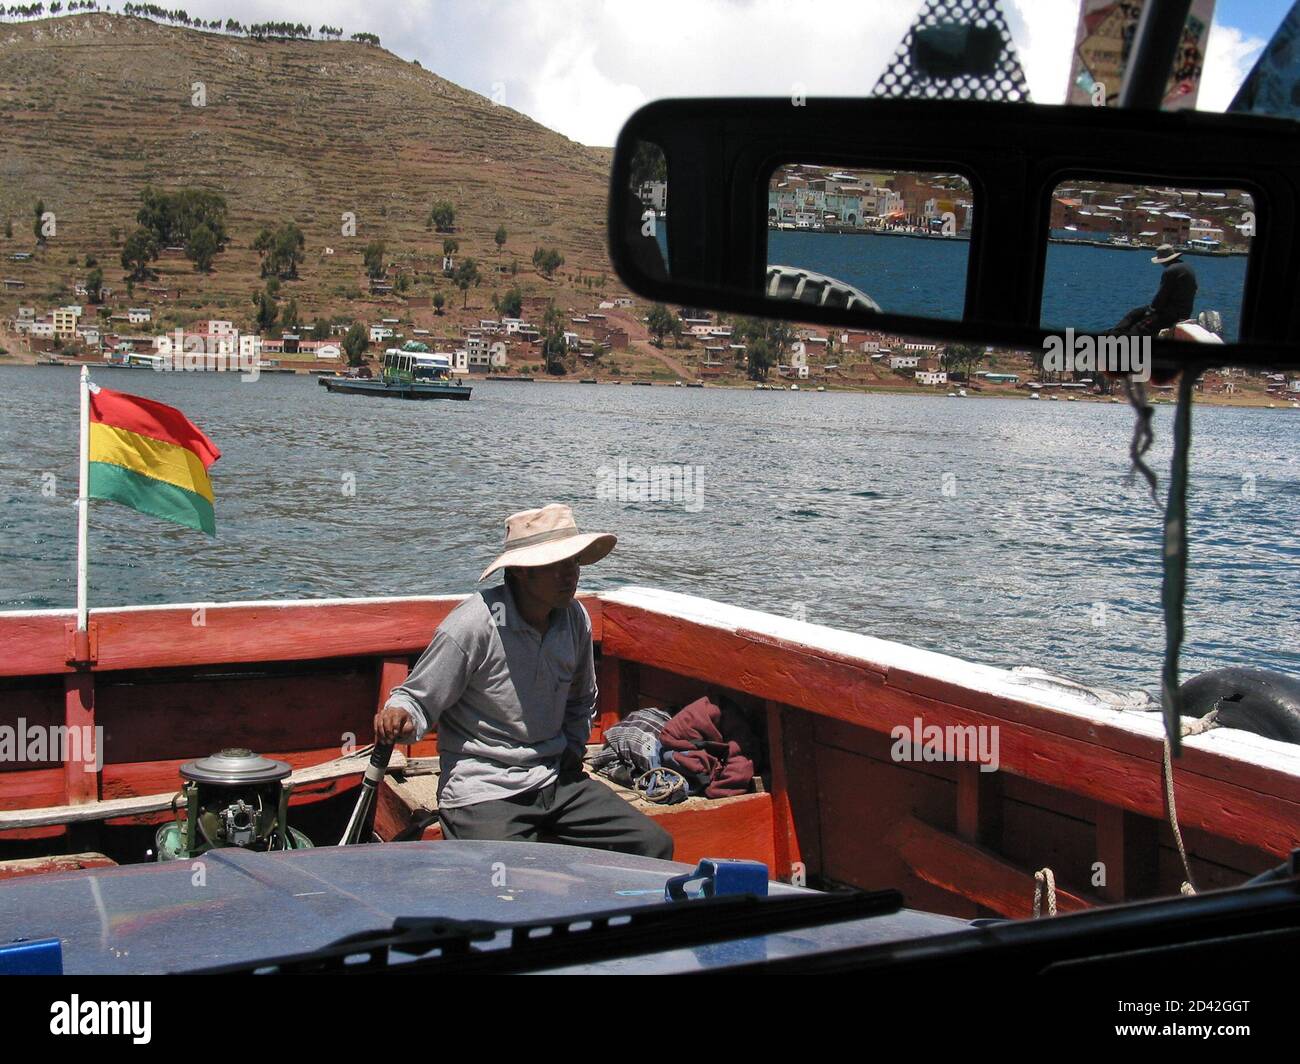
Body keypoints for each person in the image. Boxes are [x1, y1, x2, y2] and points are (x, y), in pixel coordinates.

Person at [373, 503, 675, 859]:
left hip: (553, 779)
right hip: (483, 788)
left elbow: (582, 700)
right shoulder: (474, 623)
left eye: (574, 563)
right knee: (513, 878)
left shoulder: (574, 618)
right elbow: (417, 700)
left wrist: (571, 756)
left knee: (652, 846)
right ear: (521, 573)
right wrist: (399, 715)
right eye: (556, 565)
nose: (570, 575)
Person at [1112, 244, 1198, 335]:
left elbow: (1162, 296)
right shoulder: (1186, 267)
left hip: (1171, 314)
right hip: (1184, 312)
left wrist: (1150, 312)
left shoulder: (1171, 270)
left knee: (1137, 325)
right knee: (1137, 312)